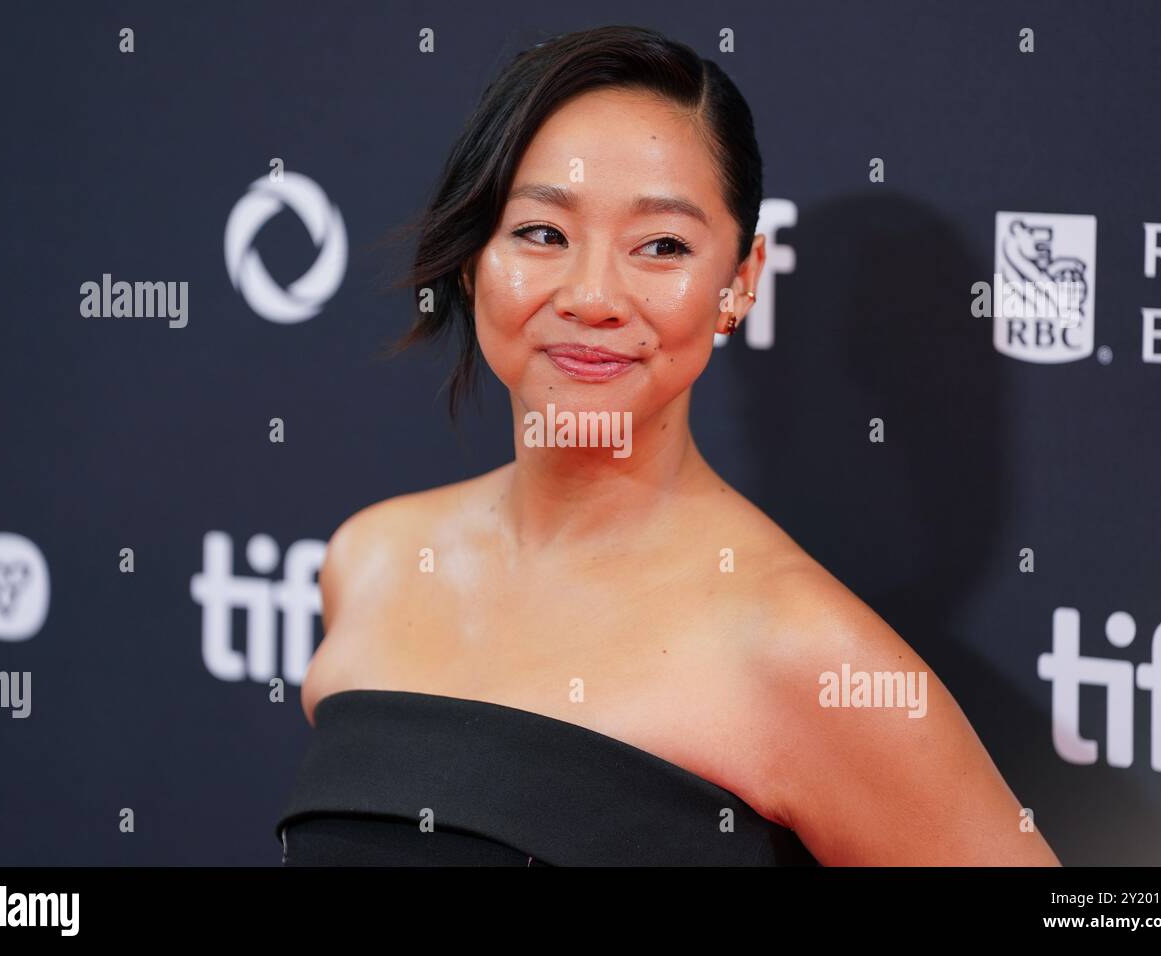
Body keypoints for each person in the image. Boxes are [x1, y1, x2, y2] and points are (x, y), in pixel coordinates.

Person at [276, 24, 1062, 866]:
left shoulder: (801, 650)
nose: (592, 296)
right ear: (472, 257)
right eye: (542, 232)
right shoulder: (372, 561)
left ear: (741, 283)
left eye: (663, 247)